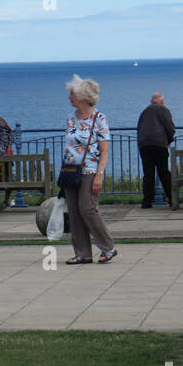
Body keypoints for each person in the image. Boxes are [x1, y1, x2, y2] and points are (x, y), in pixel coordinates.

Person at [60, 75, 116, 264]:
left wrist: (99, 174)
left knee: (88, 209)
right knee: (74, 212)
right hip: (70, 170)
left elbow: (104, 149)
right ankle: (82, 253)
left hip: (90, 170)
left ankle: (108, 247)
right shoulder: (70, 119)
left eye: (72, 95)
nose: (69, 98)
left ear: (83, 97)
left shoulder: (99, 118)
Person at [136, 93, 176, 208]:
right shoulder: (163, 110)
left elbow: (139, 128)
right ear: (161, 101)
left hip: (144, 144)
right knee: (163, 172)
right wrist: (168, 140)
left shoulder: (144, 111)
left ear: (152, 101)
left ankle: (147, 201)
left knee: (148, 173)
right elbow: (170, 127)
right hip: (159, 144)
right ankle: (172, 198)